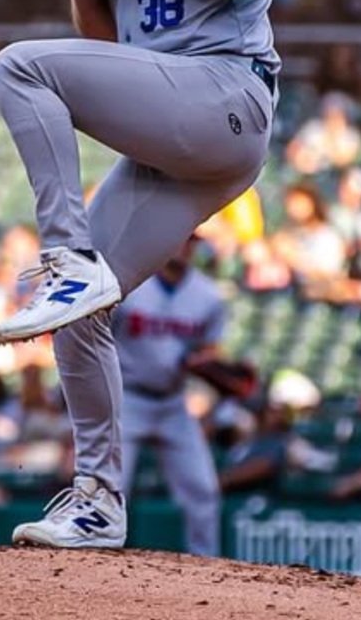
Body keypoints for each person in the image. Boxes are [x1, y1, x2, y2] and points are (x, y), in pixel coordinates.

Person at [0, 0, 277, 550]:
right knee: (82, 311)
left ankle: (65, 251)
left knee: (18, 66)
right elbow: (108, 52)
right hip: (171, 121)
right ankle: (98, 501)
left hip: (228, 96)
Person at [114, 236, 226, 556]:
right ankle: (97, 564)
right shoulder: (129, 287)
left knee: (203, 490)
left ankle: (209, 567)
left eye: (190, 241)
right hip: (128, 398)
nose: (183, 246)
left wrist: (209, 364)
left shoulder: (209, 296)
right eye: (177, 239)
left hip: (174, 402)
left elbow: (210, 350)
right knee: (111, 489)